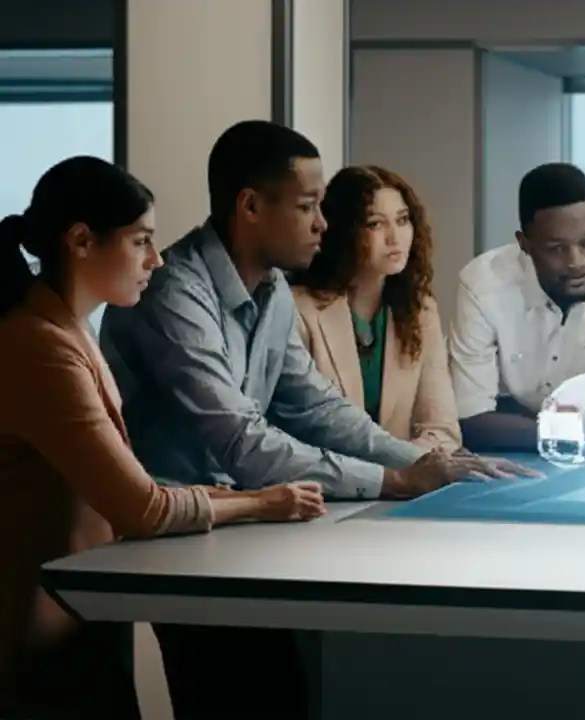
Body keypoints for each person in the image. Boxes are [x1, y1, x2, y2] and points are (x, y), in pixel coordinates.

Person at [99, 121, 528, 720]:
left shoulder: (272, 289)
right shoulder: (176, 292)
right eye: (307, 207)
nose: (324, 226)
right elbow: (240, 440)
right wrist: (396, 480)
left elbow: (316, 407)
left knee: (290, 695)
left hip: (247, 532)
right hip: (179, 542)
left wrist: (428, 464)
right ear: (250, 206)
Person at [0, 157, 325, 720]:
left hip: (71, 611)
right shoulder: (41, 347)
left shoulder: (67, 331)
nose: (156, 259)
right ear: (81, 240)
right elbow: (141, 507)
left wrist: (238, 500)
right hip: (30, 623)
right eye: (141, 241)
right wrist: (260, 501)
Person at [449, 162, 585, 452]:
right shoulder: (482, 284)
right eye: (556, 249)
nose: (577, 262)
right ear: (524, 243)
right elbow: (470, 419)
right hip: (517, 439)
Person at [290, 165, 463, 451]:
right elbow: (299, 434)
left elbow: (442, 430)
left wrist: (402, 470)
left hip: (402, 487)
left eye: (403, 220)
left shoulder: (420, 310)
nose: (395, 238)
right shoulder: (300, 309)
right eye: (375, 224)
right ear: (343, 230)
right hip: (325, 484)